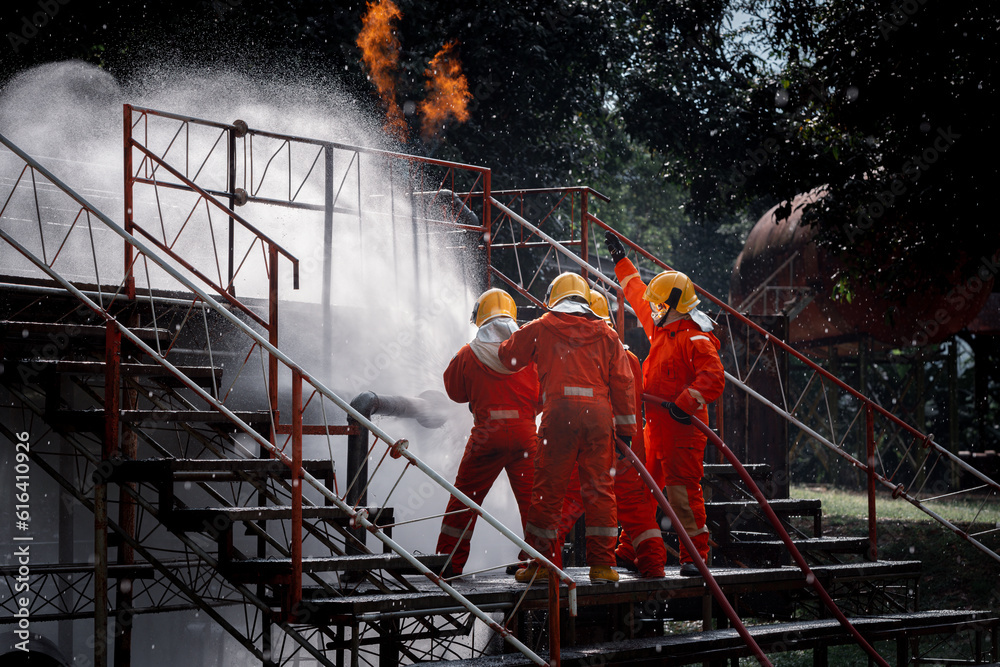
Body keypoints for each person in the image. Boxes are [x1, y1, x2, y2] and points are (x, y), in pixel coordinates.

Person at [498, 272, 637, 584]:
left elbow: (508, 358)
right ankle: (603, 566)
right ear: (586, 302)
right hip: (598, 418)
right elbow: (624, 383)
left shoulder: (541, 327)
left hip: (559, 417)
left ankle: (539, 565)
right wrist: (626, 430)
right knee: (600, 490)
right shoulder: (607, 333)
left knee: (548, 492)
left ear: (554, 299)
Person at [606, 231, 725, 577]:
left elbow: (713, 378)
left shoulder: (697, 340)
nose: (654, 309)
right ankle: (630, 550)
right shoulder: (662, 330)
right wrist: (620, 260)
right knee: (644, 493)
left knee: (682, 497)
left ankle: (695, 558)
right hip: (656, 431)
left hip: (682, 433)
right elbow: (639, 295)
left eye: (661, 305)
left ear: (674, 305)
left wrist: (685, 403)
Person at [551, 290, 667, 579]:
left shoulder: (580, 357)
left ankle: (544, 563)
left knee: (565, 504)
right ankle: (653, 567)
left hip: (593, 447)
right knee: (638, 514)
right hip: (627, 451)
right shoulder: (630, 357)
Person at [436, 288, 540, 576]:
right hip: (524, 438)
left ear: (480, 318)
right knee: (535, 503)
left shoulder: (468, 354)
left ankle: (448, 562)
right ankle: (538, 562)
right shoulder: (531, 355)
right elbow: (543, 395)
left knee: (465, 501)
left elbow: (454, 392)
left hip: (486, 438)